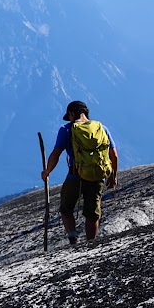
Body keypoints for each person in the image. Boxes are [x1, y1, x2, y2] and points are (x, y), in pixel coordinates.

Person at [41, 100, 119, 244]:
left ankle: (73, 238)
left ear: (72, 113)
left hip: (75, 176)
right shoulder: (101, 128)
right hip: (97, 177)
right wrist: (113, 176)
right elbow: (113, 155)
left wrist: (47, 171)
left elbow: (56, 154)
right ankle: (90, 244)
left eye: (69, 115)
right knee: (92, 214)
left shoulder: (66, 130)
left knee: (66, 209)